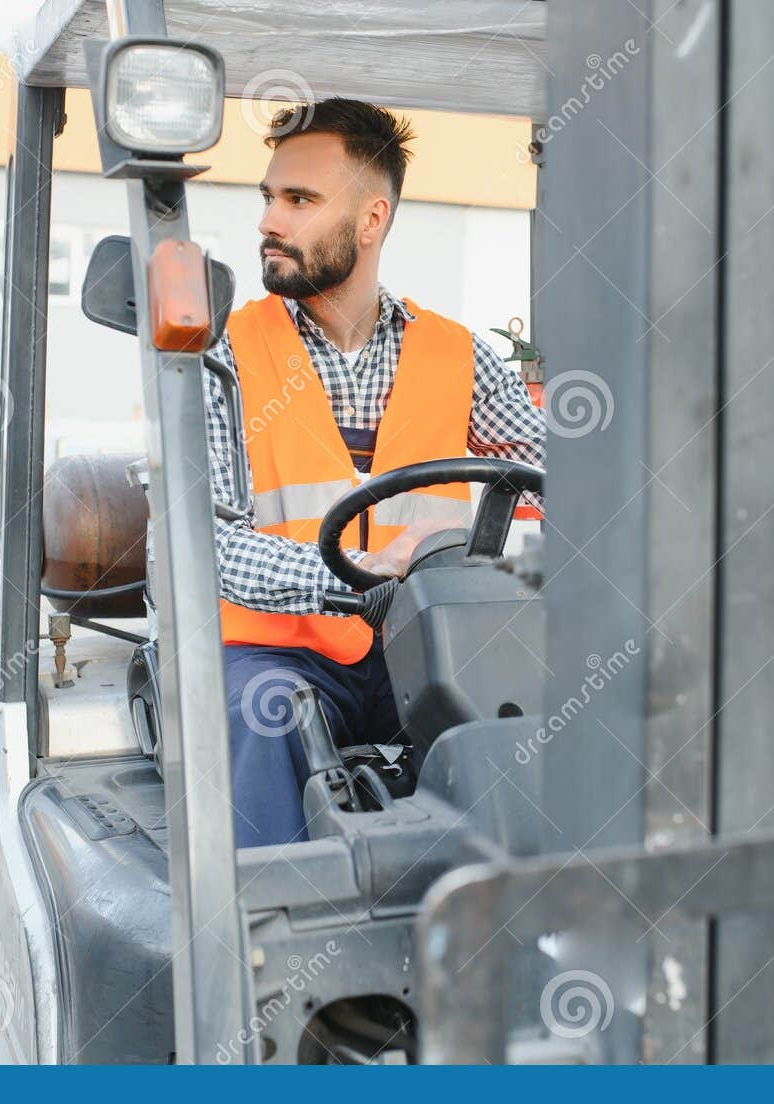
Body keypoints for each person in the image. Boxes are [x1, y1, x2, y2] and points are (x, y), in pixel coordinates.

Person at [205, 97, 544, 849]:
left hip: (419, 642)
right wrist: (359, 571)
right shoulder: (225, 353)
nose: (269, 220)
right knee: (266, 713)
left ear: (371, 219)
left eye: (299, 200)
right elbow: (207, 545)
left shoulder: (454, 352)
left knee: (525, 701)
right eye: (268, 198)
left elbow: (548, 465)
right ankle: (276, 931)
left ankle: (517, 910)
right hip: (275, 651)